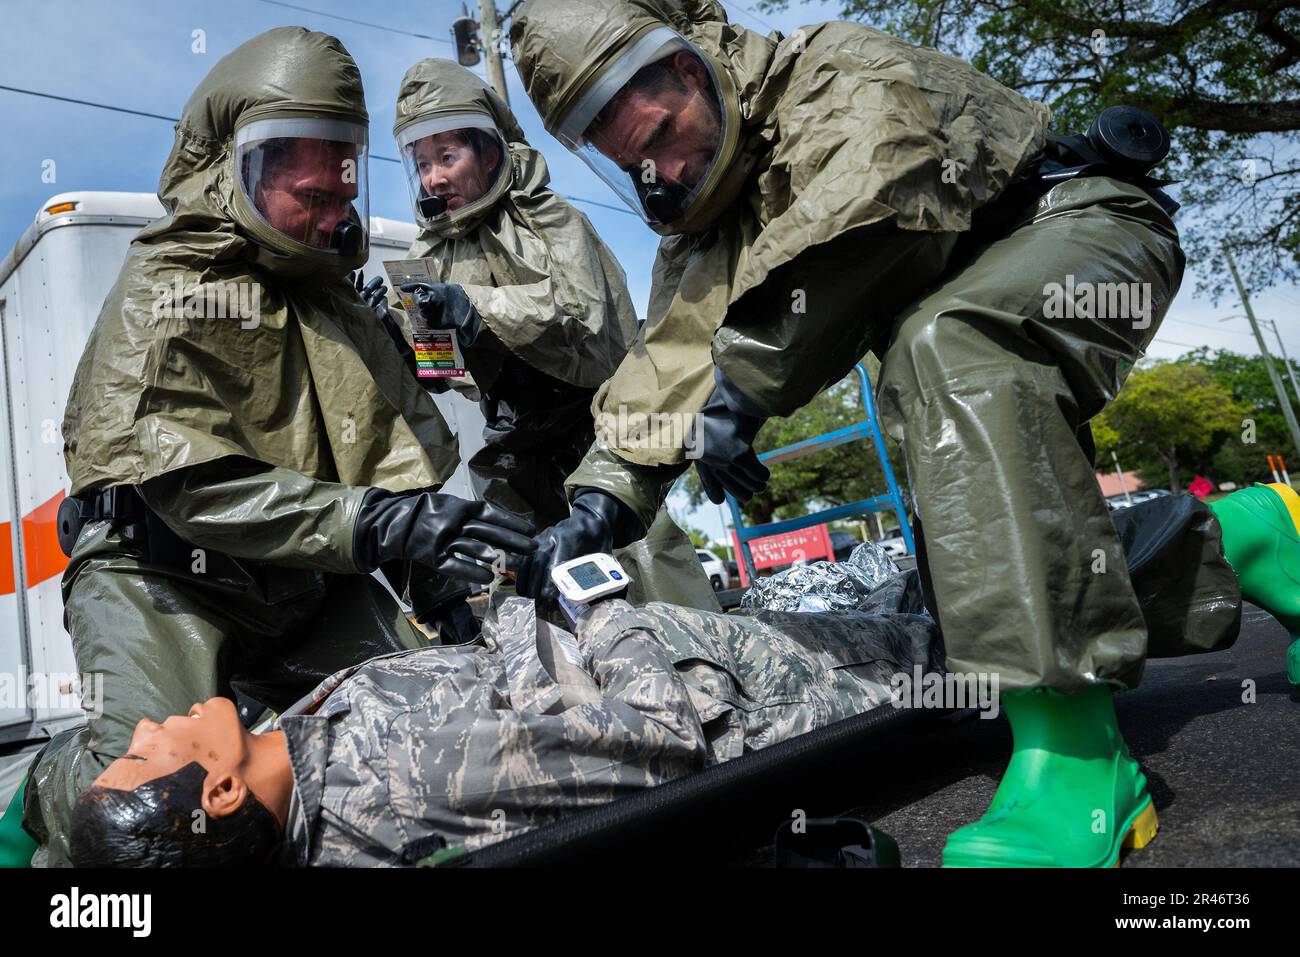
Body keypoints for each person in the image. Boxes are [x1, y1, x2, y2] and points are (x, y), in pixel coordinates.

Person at [505, 0, 1300, 866]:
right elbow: (670, 356)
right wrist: (601, 499)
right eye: (633, 163)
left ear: (693, 70)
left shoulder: (836, 72)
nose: (660, 171)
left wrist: (742, 384)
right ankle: (1250, 538)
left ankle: (1079, 756)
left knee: (944, 343)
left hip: (1082, 227)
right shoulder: (709, 209)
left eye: (661, 136)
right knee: (974, 591)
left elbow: (866, 209)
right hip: (955, 328)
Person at [13, 28, 537, 868]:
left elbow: (395, 466)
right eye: (309, 196)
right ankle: (52, 778)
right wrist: (383, 525)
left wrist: (435, 574)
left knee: (453, 720)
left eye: (343, 189)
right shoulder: (173, 284)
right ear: (240, 171)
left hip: (303, 580)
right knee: (138, 806)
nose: (335, 216)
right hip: (159, 573)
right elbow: (190, 485)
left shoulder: (334, 300)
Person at [68, 581, 940, 867]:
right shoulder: (402, 777)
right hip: (752, 683)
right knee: (964, 647)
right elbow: (658, 738)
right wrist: (595, 608)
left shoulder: (298, 747)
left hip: (697, 656)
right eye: (146, 756)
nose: (147, 725)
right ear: (218, 790)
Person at [360, 59, 719, 618]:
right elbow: (441, 377)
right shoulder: (427, 258)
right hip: (519, 448)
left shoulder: (549, 221)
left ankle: (701, 672)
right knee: (523, 588)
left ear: (488, 150)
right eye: (422, 162)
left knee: (643, 565)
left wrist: (472, 306)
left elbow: (585, 317)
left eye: (448, 157)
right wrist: (389, 335)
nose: (433, 178)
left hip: (597, 426)